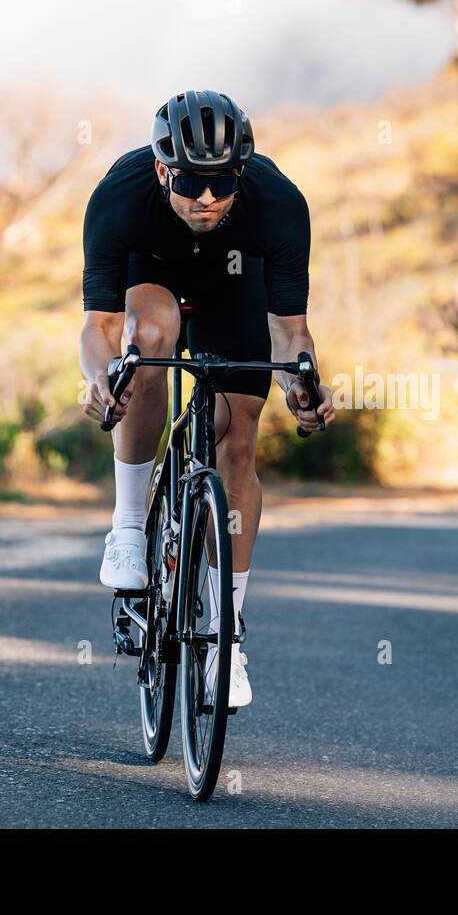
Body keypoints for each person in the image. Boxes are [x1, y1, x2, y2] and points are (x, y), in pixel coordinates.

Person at [78, 90, 335, 707]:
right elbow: (100, 329)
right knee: (148, 342)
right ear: (165, 169)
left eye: (222, 184)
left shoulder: (276, 203)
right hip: (155, 276)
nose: (208, 199)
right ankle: (131, 525)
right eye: (192, 183)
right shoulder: (121, 195)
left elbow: (289, 332)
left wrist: (305, 386)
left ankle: (226, 639)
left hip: (232, 285)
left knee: (239, 432)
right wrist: (101, 378)